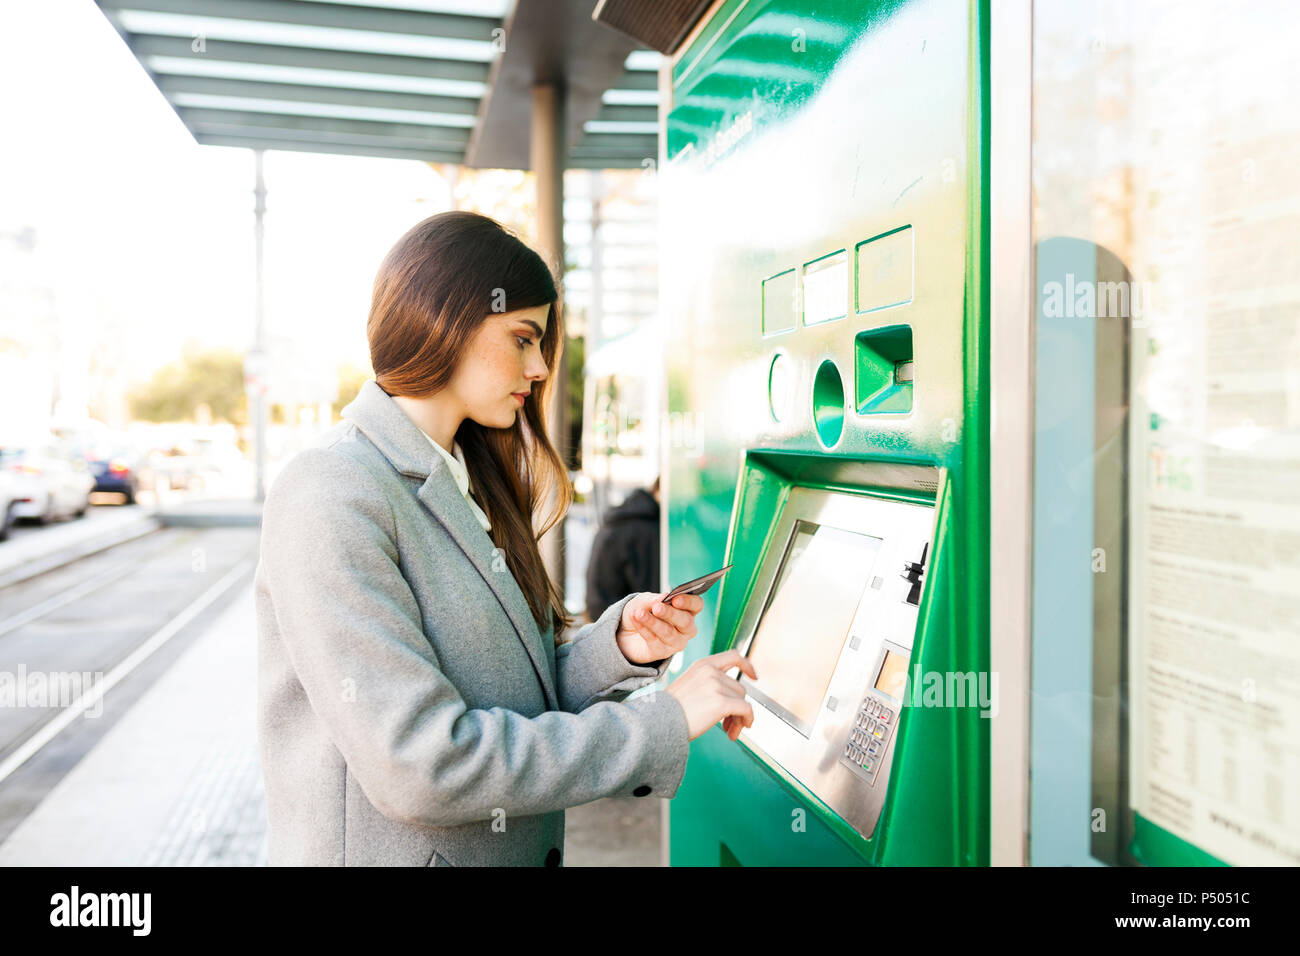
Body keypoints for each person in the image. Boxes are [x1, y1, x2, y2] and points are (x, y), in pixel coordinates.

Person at [255, 211, 756, 867]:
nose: (542, 367)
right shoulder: (332, 491)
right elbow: (422, 765)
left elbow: (514, 696)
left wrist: (620, 646)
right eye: (523, 338)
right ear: (444, 319)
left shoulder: (465, 475)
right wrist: (658, 722)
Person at [585, 477, 660, 622]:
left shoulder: (620, 517)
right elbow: (650, 588)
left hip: (599, 612)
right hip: (620, 622)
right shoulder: (646, 528)